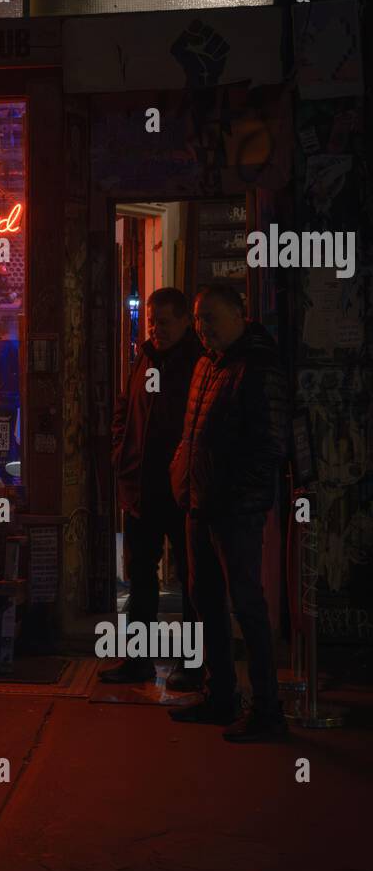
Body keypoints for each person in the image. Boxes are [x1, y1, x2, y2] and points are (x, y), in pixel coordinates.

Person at [169, 283, 290, 742]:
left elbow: (269, 446)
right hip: (200, 504)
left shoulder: (257, 366)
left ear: (239, 315)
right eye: (199, 320)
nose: (203, 329)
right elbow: (193, 434)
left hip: (235, 511)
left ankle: (267, 710)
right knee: (206, 601)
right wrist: (182, 479)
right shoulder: (207, 365)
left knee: (247, 605)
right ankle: (219, 694)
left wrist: (236, 497)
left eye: (211, 319)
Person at [104, 288, 202, 687]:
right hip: (142, 487)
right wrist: (120, 451)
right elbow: (125, 407)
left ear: (184, 321)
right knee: (140, 577)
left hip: (181, 490)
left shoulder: (199, 362)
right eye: (151, 321)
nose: (156, 329)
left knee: (194, 580)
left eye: (163, 322)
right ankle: (137, 660)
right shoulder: (145, 357)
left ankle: (193, 665)